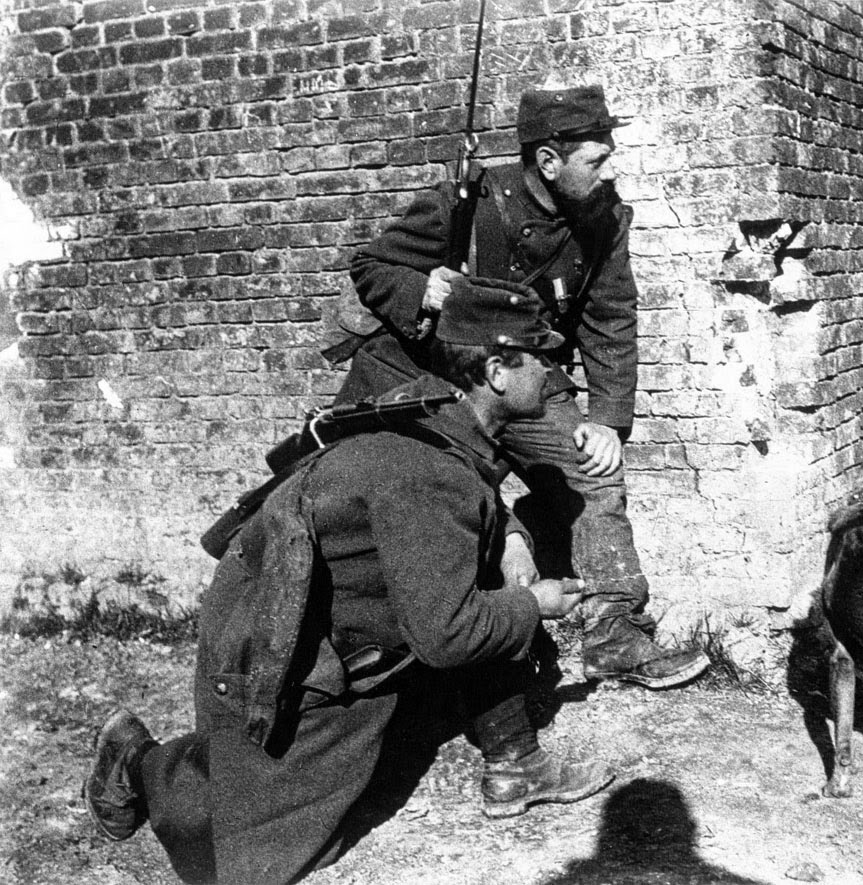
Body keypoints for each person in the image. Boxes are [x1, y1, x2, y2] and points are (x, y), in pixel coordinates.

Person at [83, 279, 614, 885]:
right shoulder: (425, 472)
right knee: (257, 864)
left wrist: (511, 535)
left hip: (312, 625)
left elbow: (464, 493)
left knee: (389, 749)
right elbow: (446, 634)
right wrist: (533, 604)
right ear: (495, 372)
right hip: (270, 653)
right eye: (540, 359)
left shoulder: (426, 407)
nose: (553, 372)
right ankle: (138, 760)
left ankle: (511, 761)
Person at [331, 83, 708, 689]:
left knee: (592, 468)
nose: (610, 171)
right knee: (421, 492)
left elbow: (609, 317)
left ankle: (613, 630)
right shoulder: (465, 203)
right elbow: (372, 265)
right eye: (597, 159)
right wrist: (418, 291)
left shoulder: (603, 219)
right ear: (549, 162)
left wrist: (609, 419)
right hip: (432, 373)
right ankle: (454, 642)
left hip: (526, 375)